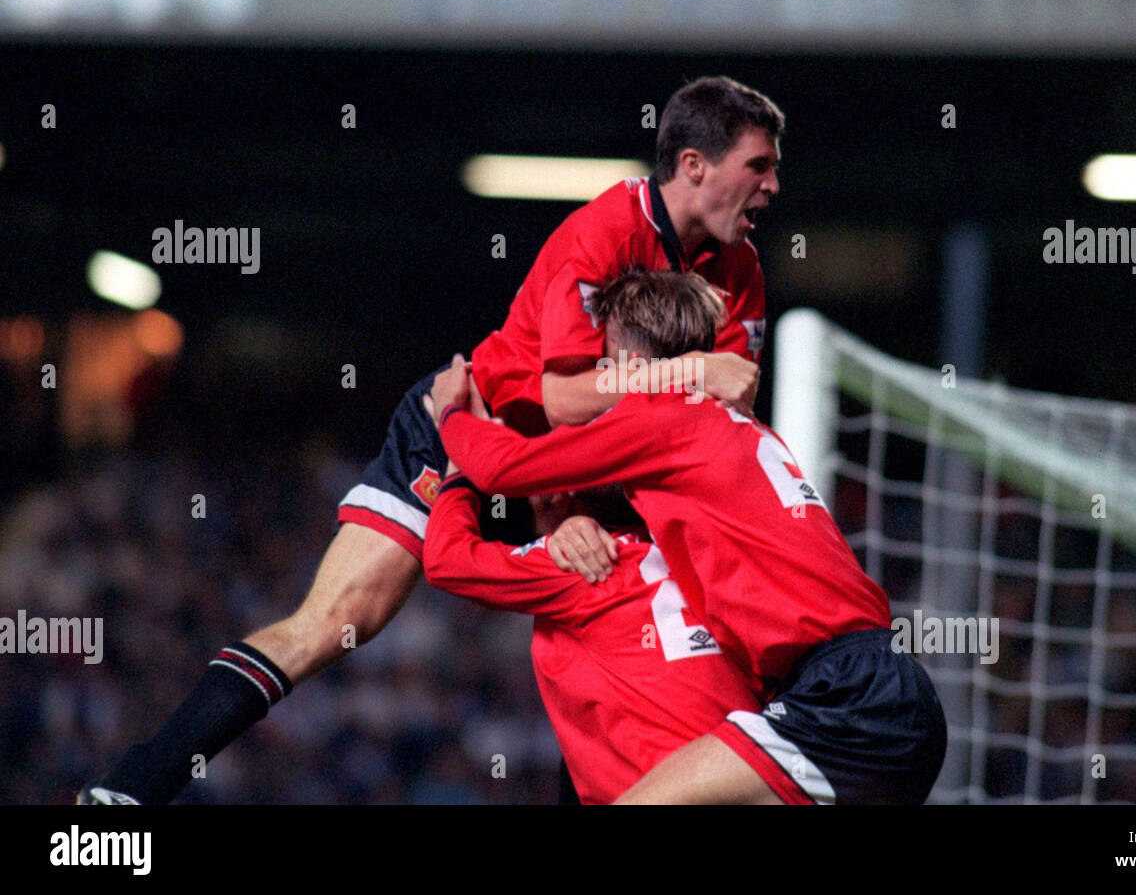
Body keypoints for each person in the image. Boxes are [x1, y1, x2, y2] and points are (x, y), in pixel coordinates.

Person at [78, 76, 784, 804]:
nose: (772, 186)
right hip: (473, 427)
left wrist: (586, 502)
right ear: (695, 165)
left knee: (634, 654)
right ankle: (129, 792)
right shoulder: (604, 230)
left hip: (594, 473)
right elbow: (566, 398)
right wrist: (692, 371)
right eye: (759, 166)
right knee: (337, 622)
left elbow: (727, 410)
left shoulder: (742, 272)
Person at [428, 269, 948, 805]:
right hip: (877, 691)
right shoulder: (740, 430)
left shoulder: (658, 419)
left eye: (602, 363)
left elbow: (504, 469)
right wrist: (570, 524)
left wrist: (448, 414)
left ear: (628, 366)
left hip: (846, 695)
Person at [424, 461, 761, 804]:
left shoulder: (601, 562)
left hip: (715, 780)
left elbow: (445, 558)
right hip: (733, 778)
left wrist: (458, 473)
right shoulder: (582, 564)